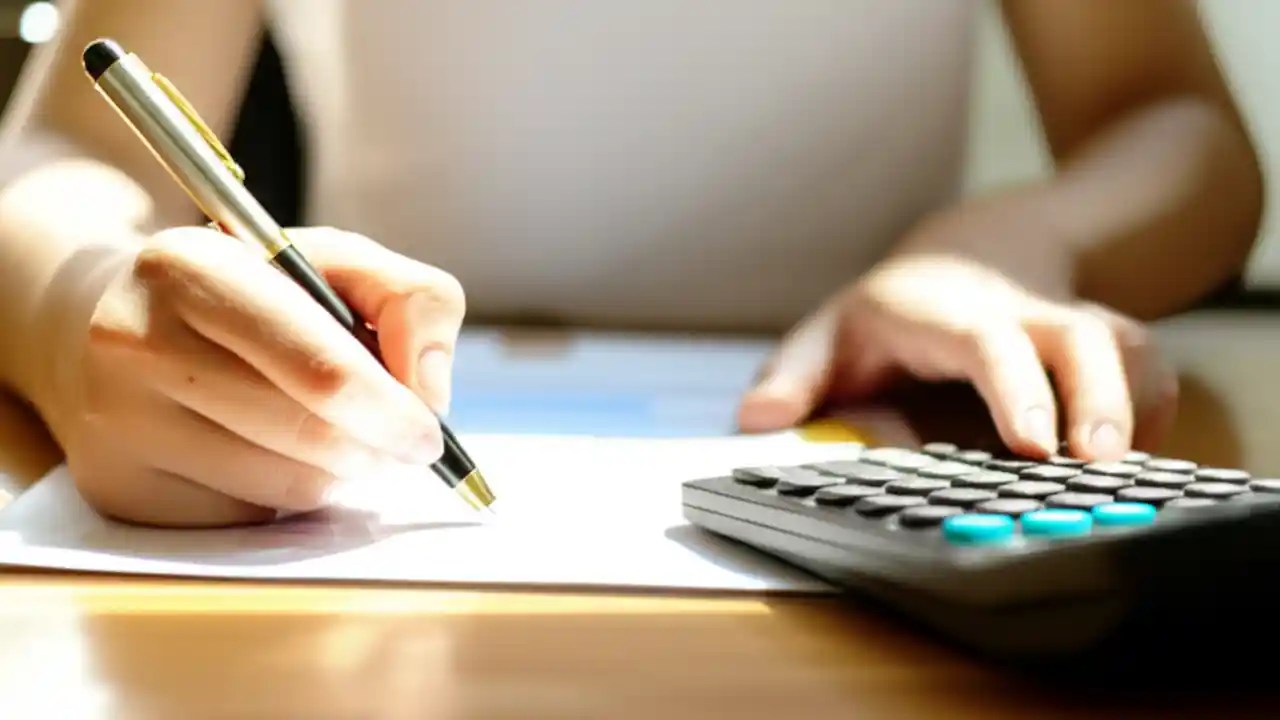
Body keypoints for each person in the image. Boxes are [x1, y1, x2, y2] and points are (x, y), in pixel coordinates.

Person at [0, 1, 1263, 527]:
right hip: (364, 419)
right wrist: (74, 310)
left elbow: (1178, 129)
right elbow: (49, 145)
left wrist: (1013, 247)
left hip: (890, 435)